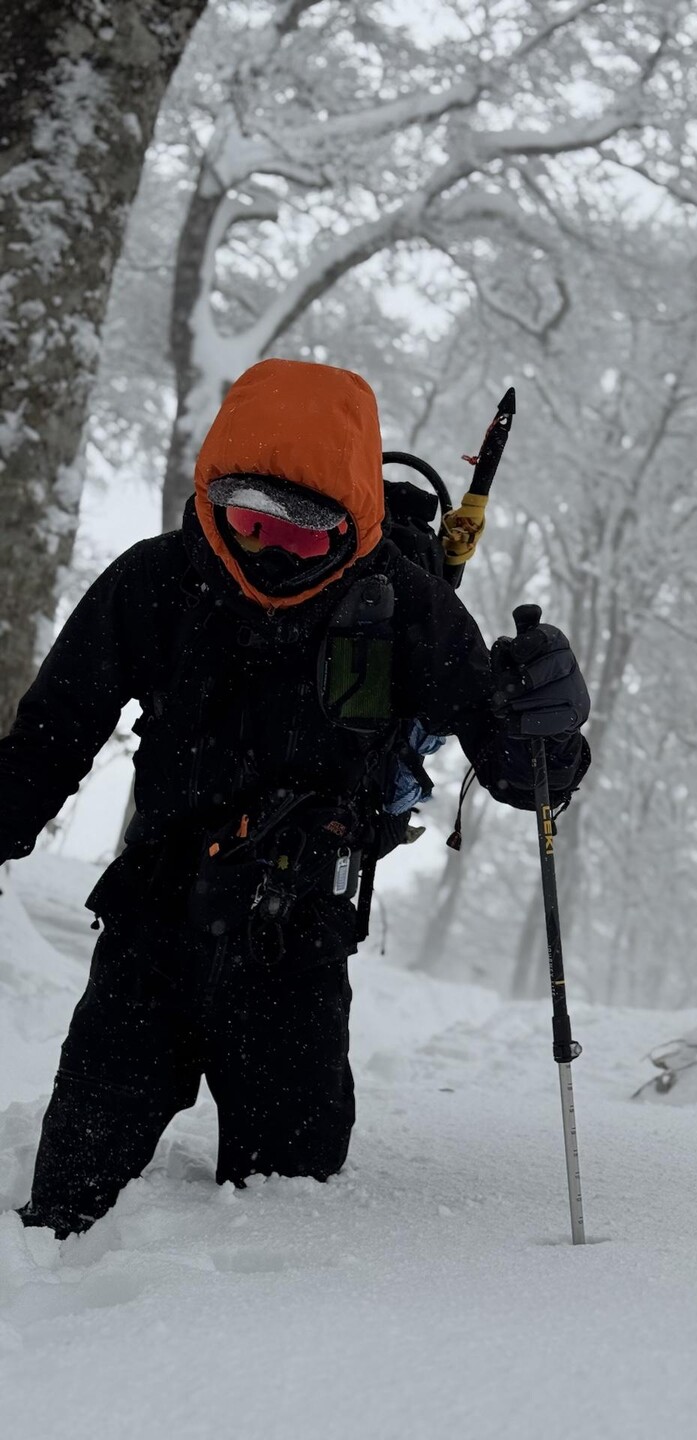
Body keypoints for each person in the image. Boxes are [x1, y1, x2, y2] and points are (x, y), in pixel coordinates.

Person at [0, 358, 589, 1238]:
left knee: (290, 1218)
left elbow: (518, 769)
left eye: (307, 537)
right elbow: (49, 738)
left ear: (352, 528)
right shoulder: (155, 581)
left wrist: (550, 725)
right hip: (149, 934)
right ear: (213, 500)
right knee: (61, 1211)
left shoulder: (407, 607)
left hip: (297, 948)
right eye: (245, 520)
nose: (270, 551)